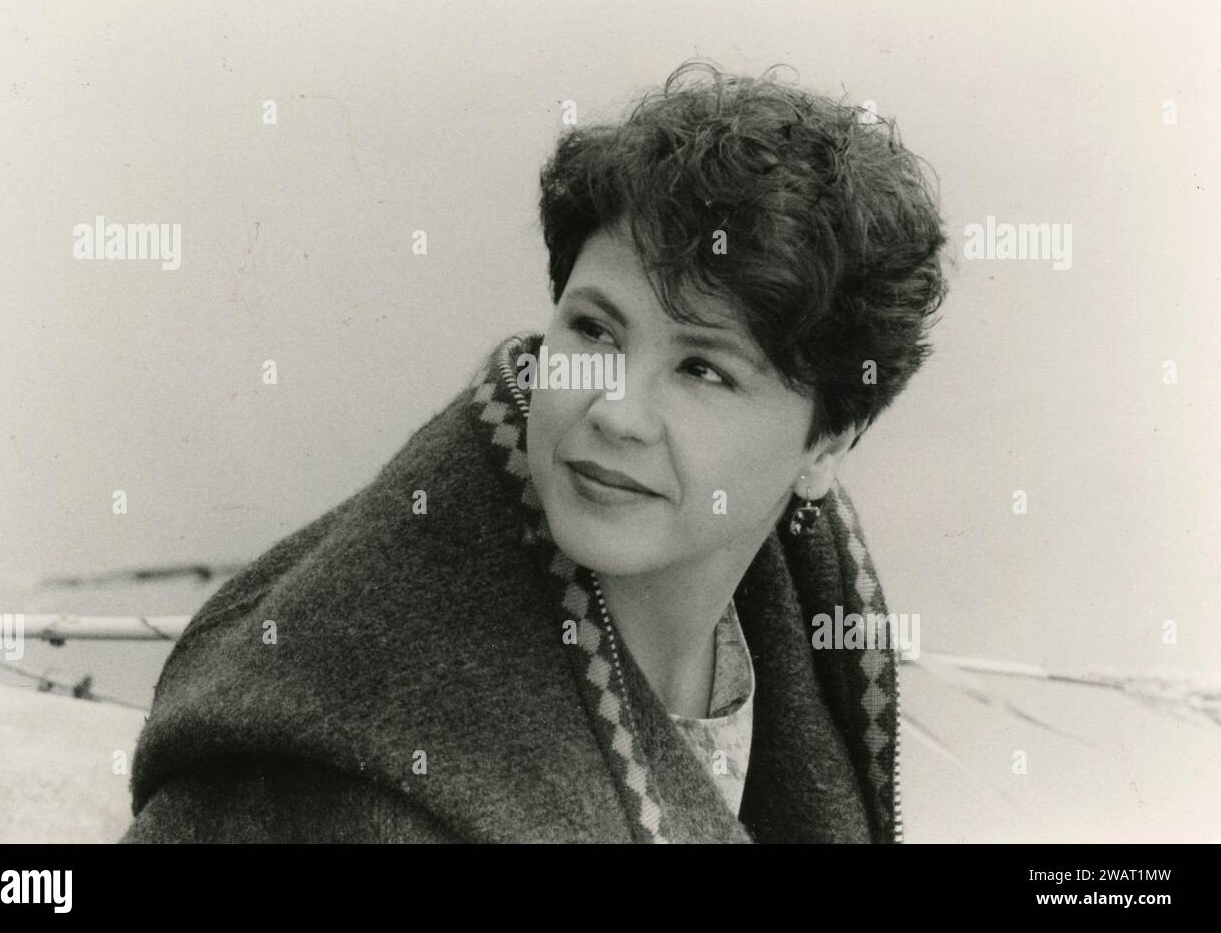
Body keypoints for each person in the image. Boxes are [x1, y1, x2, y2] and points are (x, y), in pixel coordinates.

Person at [121, 60, 948, 843]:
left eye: (702, 368)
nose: (615, 412)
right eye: (593, 328)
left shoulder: (793, 611)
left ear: (825, 444)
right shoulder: (354, 781)